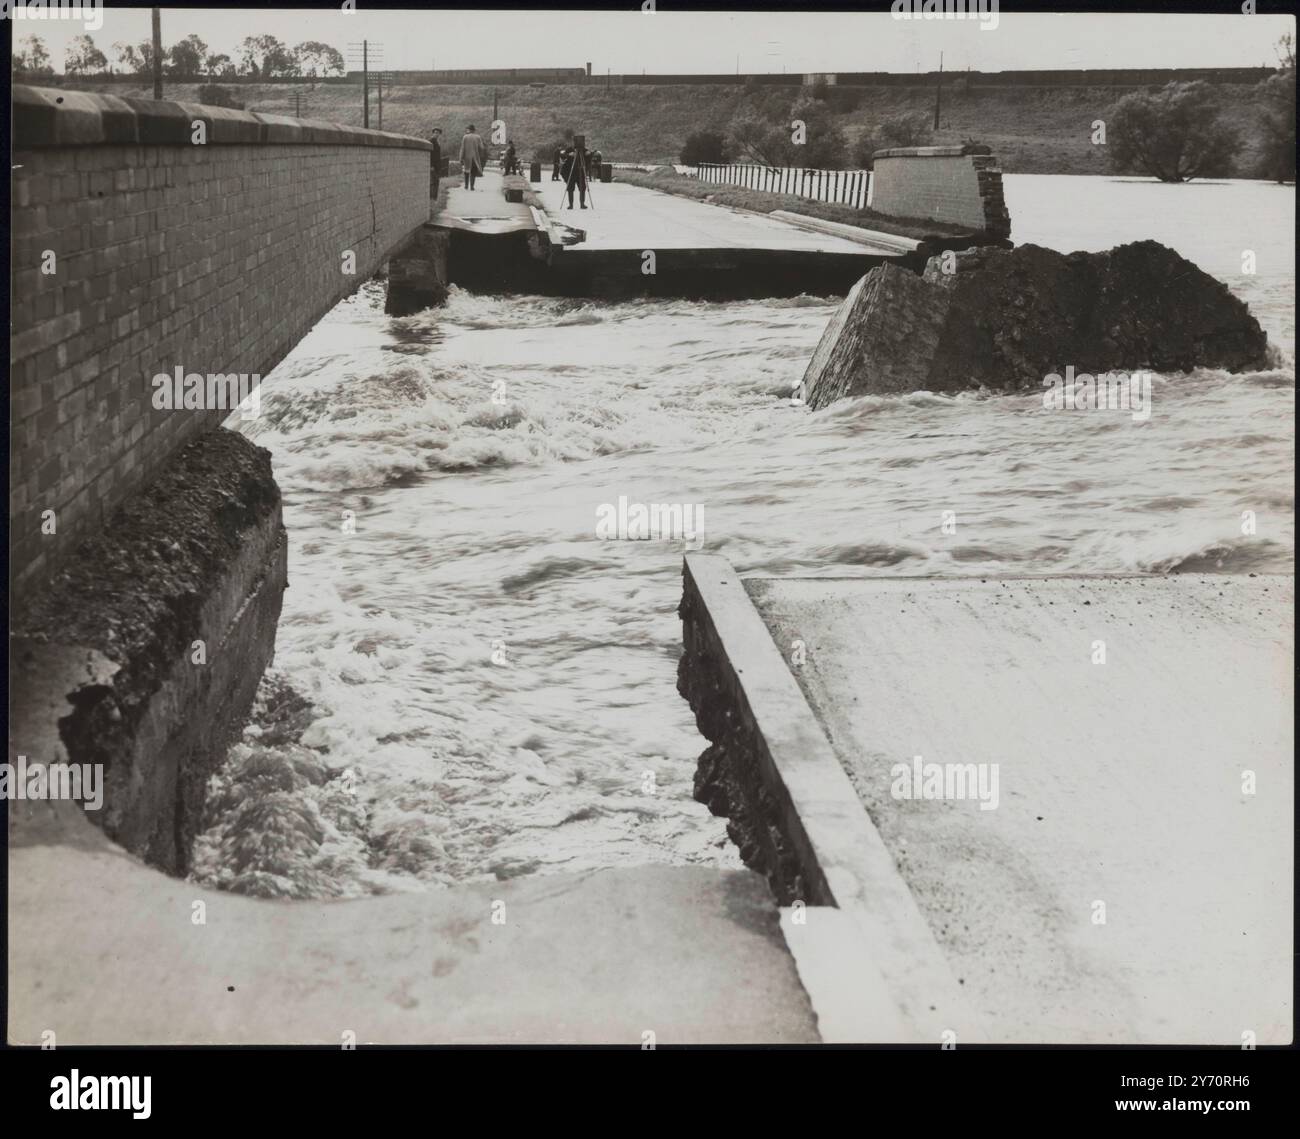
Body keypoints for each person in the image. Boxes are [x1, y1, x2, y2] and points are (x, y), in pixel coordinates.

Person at [560, 143, 590, 209]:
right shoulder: (569, 149)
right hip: (570, 173)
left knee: (582, 188)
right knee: (570, 189)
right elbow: (562, 156)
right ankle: (571, 205)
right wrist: (568, 155)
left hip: (580, 173)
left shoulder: (583, 151)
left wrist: (588, 153)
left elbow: (589, 156)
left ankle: (582, 204)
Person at [459, 124, 488, 190]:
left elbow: (462, 148)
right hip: (475, 157)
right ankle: (472, 186)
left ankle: (466, 185)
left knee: (466, 171)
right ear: (474, 130)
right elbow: (482, 148)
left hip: (467, 157)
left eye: (467, 129)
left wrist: (460, 157)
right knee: (473, 172)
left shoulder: (465, 137)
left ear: (469, 130)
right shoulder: (478, 137)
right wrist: (481, 155)